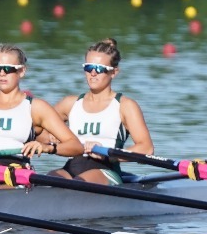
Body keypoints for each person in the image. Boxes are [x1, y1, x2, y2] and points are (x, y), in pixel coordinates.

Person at [52, 38, 155, 183]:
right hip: (71, 167)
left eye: (99, 69)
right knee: (44, 183)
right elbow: (38, 131)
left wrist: (108, 154)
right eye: (88, 68)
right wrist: (50, 138)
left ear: (114, 72)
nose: (93, 73)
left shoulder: (125, 105)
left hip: (106, 169)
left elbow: (146, 148)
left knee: (78, 184)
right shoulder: (69, 103)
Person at [0, 44, 79, 162]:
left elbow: (75, 146)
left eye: (8, 68)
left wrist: (47, 148)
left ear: (22, 71)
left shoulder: (36, 108)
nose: (2, 73)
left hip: (15, 171)